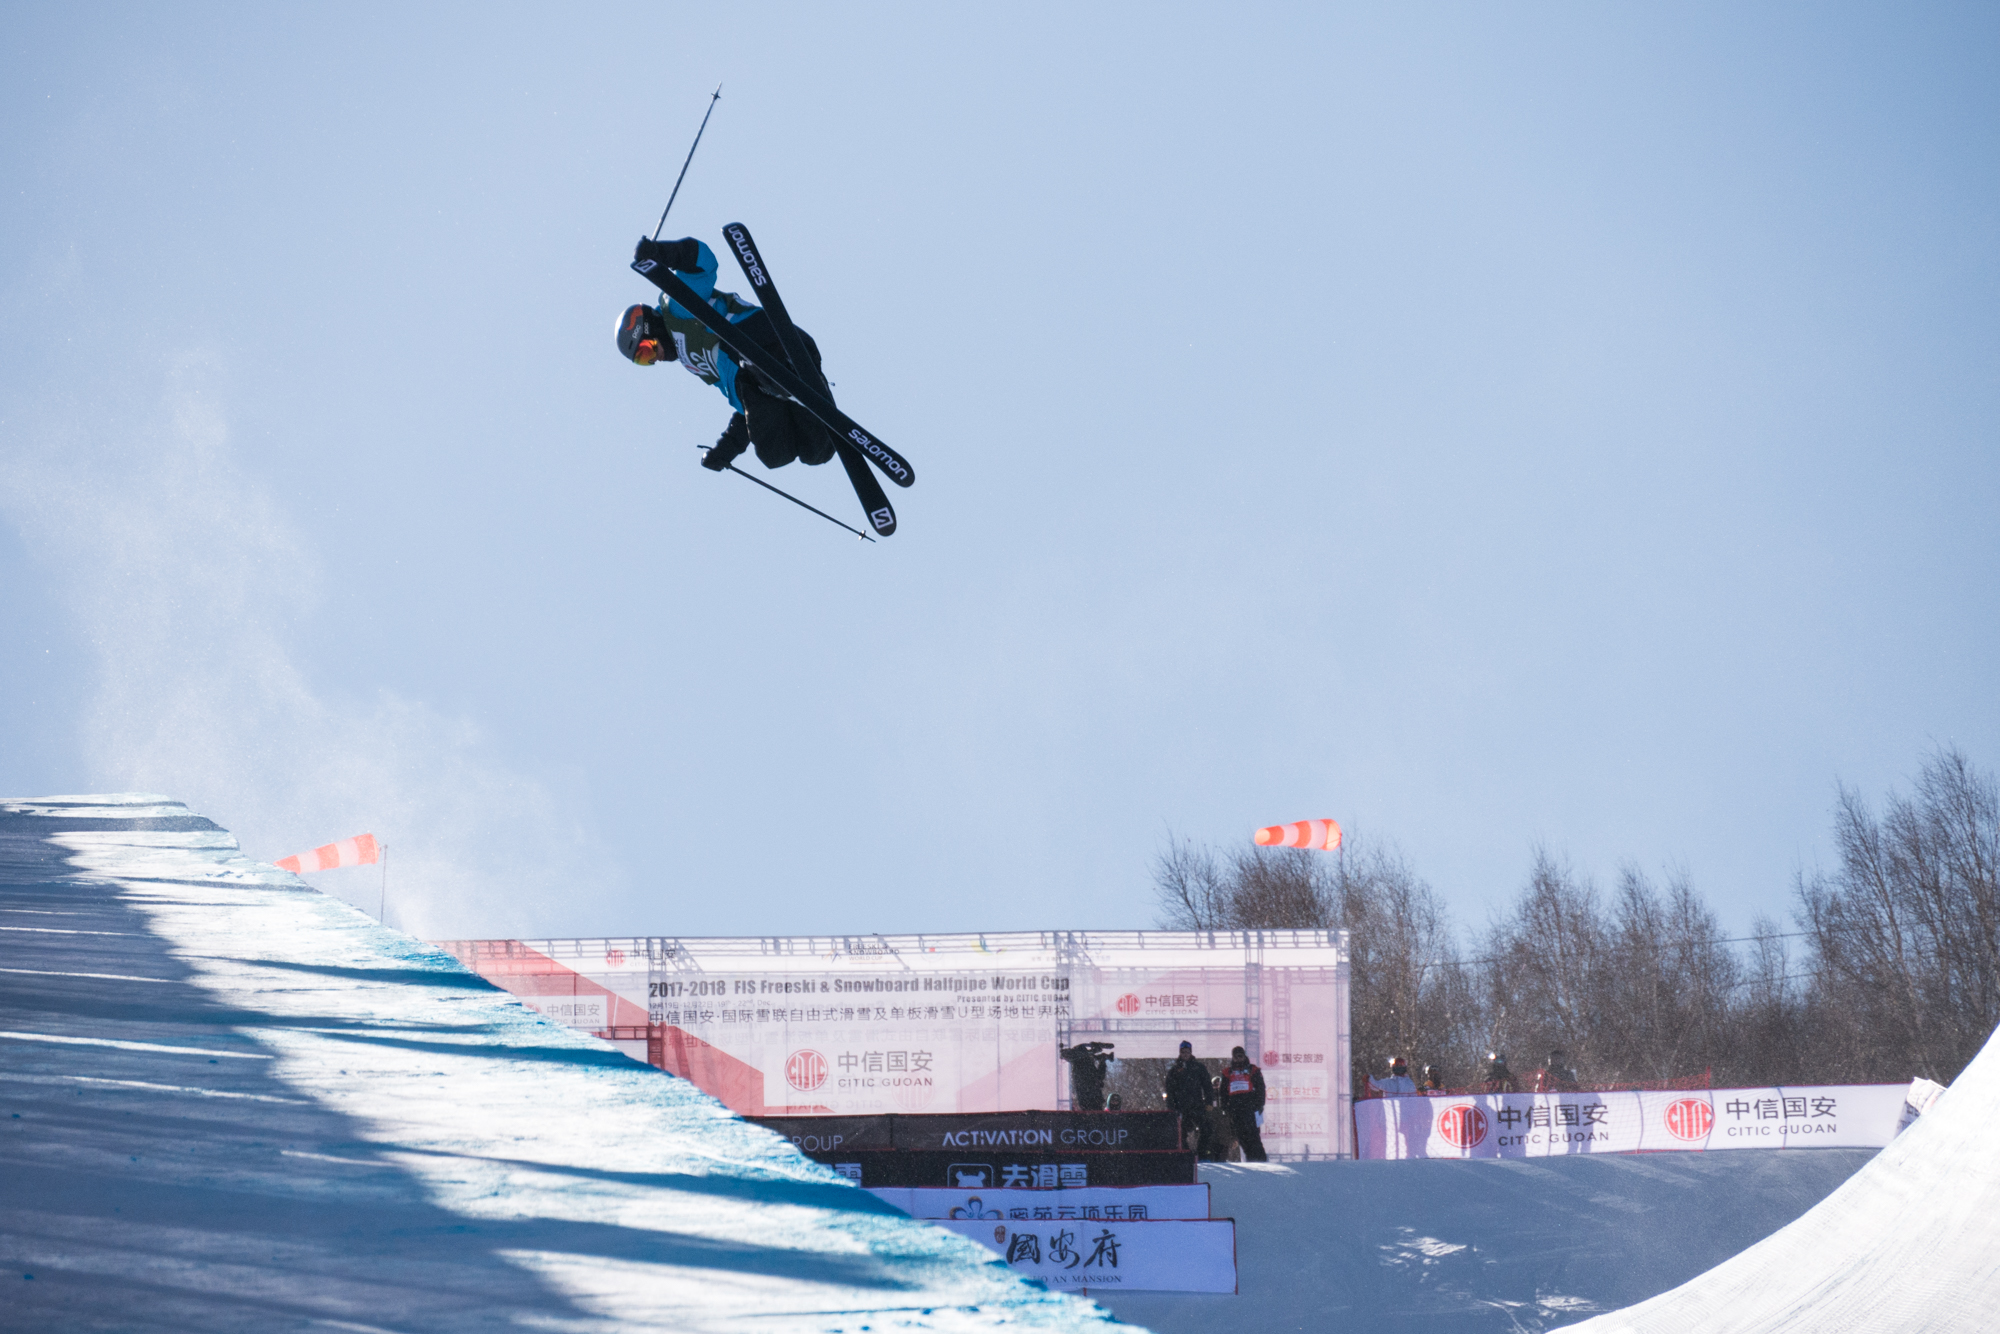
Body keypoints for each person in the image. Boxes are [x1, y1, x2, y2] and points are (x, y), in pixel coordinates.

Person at [617, 236, 838, 474]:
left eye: (646, 350)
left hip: (765, 341)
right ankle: (808, 399)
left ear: (650, 327)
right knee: (790, 452)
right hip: (756, 385)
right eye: (644, 361)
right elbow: (741, 402)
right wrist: (727, 448)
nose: (654, 359)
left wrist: (660, 253)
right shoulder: (692, 361)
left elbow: (704, 262)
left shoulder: (676, 308)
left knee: (760, 374)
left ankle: (791, 377)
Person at [1163, 1041, 1214, 1155]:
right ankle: (1186, 1154)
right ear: (1180, 1053)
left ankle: (1202, 1153)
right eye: (1183, 1052)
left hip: (1197, 1105)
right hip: (1181, 1107)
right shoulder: (1175, 1070)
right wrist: (1171, 1108)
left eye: (1187, 1052)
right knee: (1180, 1133)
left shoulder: (1198, 1067)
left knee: (1207, 1128)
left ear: (1191, 1053)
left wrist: (1209, 1102)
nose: (1185, 1054)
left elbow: (1207, 1086)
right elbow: (1170, 1091)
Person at [1218, 1046, 1268, 1162]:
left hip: (1249, 1107)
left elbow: (1260, 1088)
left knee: (1253, 1135)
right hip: (1235, 1109)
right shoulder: (1227, 1072)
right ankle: (1251, 1159)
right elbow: (1223, 1092)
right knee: (1241, 1136)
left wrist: (1259, 1104)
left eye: (1240, 1056)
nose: (1238, 1058)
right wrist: (1225, 1107)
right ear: (1233, 1057)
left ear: (1244, 1056)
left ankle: (1260, 1159)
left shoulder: (1253, 1070)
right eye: (1236, 1056)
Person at [1058, 1041, 1114, 1112]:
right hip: (1089, 1097)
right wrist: (1096, 1056)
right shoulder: (1077, 1060)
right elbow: (1065, 1055)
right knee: (1091, 1108)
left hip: (1091, 1097)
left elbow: (1099, 1076)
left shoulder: (1082, 1062)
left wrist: (1101, 1061)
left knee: (1092, 1109)